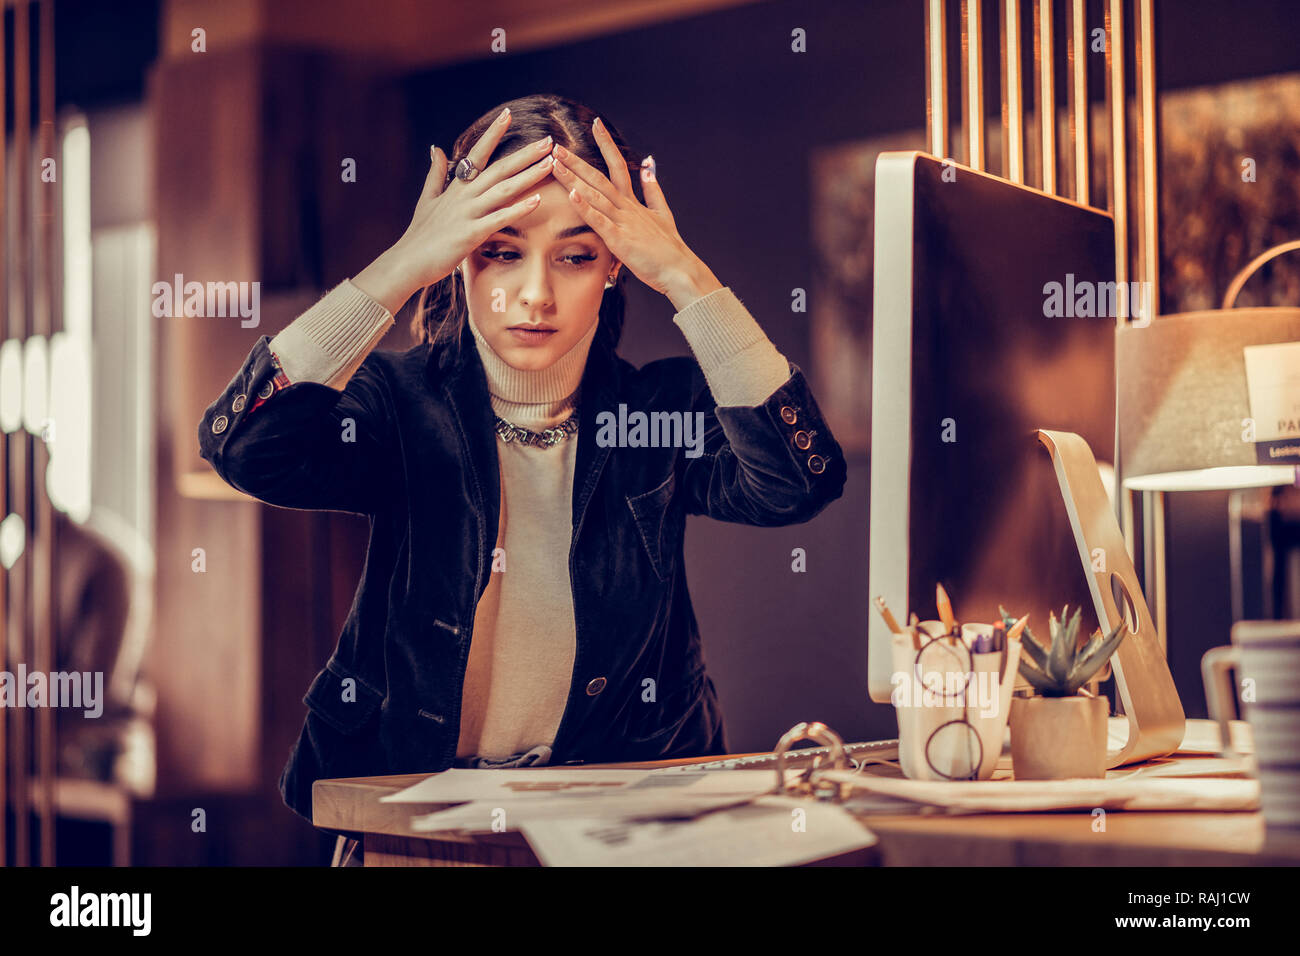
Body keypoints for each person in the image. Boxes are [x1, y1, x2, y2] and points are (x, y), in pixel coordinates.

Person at [197, 93, 847, 863]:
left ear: (614, 267)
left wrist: (684, 276)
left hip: (624, 830)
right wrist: (405, 263)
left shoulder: (658, 411)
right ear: (459, 260)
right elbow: (246, 445)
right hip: (414, 830)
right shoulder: (399, 404)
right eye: (499, 250)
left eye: (576, 256)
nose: (535, 294)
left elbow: (798, 481)